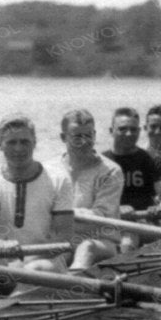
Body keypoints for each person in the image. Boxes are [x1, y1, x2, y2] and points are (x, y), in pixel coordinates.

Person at [0, 112, 74, 275]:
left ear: (35, 143)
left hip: (47, 260)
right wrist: (0, 245)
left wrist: (25, 261)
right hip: (2, 260)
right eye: (11, 142)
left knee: (36, 268)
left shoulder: (59, 179)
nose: (19, 148)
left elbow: (63, 236)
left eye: (25, 142)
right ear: (0, 145)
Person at [58, 108, 130, 272]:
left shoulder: (111, 171)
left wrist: (59, 214)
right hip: (63, 240)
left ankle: (72, 289)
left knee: (86, 247)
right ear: (63, 137)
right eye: (77, 137)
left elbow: (100, 216)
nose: (84, 142)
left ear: (95, 135)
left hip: (101, 242)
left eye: (88, 136)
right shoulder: (50, 168)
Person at [107, 107, 161, 223]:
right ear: (111, 131)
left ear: (139, 131)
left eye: (133, 130)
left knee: (128, 241)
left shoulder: (153, 161)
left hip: (143, 221)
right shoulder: (101, 162)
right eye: (122, 129)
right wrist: (116, 209)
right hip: (110, 220)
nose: (129, 134)